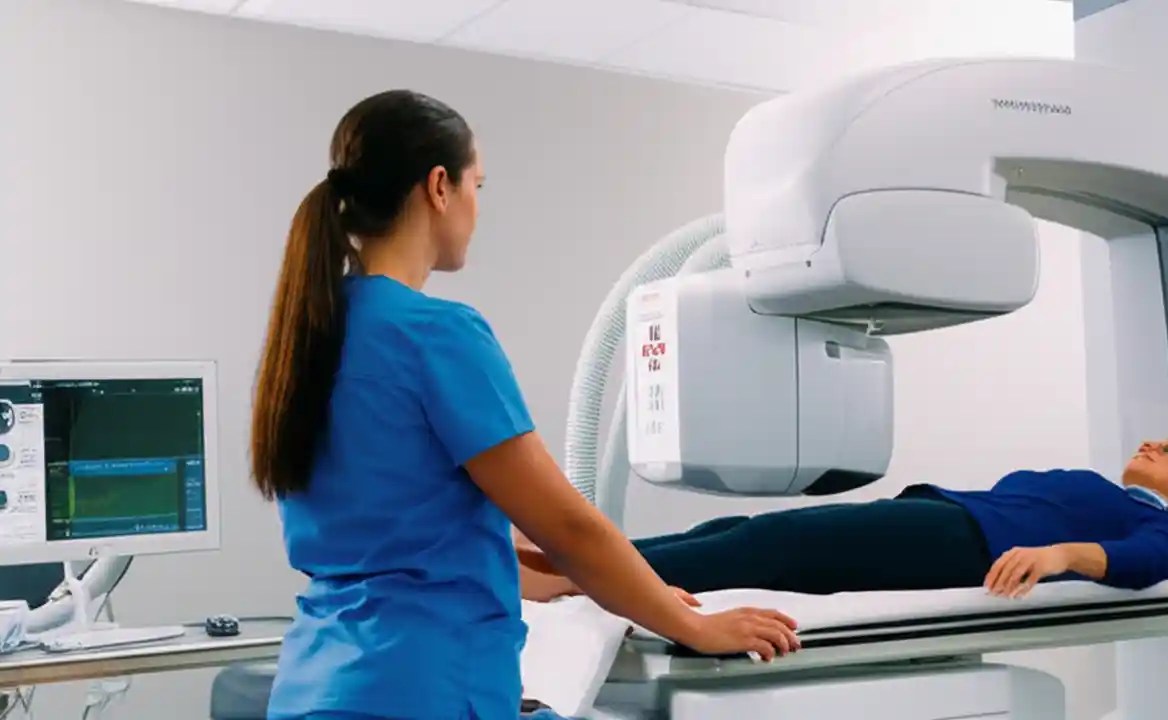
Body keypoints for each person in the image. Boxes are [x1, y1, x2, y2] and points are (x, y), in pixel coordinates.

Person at [249, 90, 800, 720]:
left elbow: (420, 539)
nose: (477, 207)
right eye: (475, 184)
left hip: (315, 687)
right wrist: (691, 625)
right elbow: (567, 527)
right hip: (422, 689)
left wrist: (582, 585)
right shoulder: (435, 332)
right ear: (439, 187)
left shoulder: (313, 330)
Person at [518, 438, 1168, 602]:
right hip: (939, 520)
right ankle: (558, 562)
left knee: (775, 540)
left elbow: (1156, 564)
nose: (1150, 445)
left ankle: (576, 578)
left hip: (964, 543)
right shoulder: (1099, 487)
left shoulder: (1167, 527)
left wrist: (1058, 556)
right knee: (738, 535)